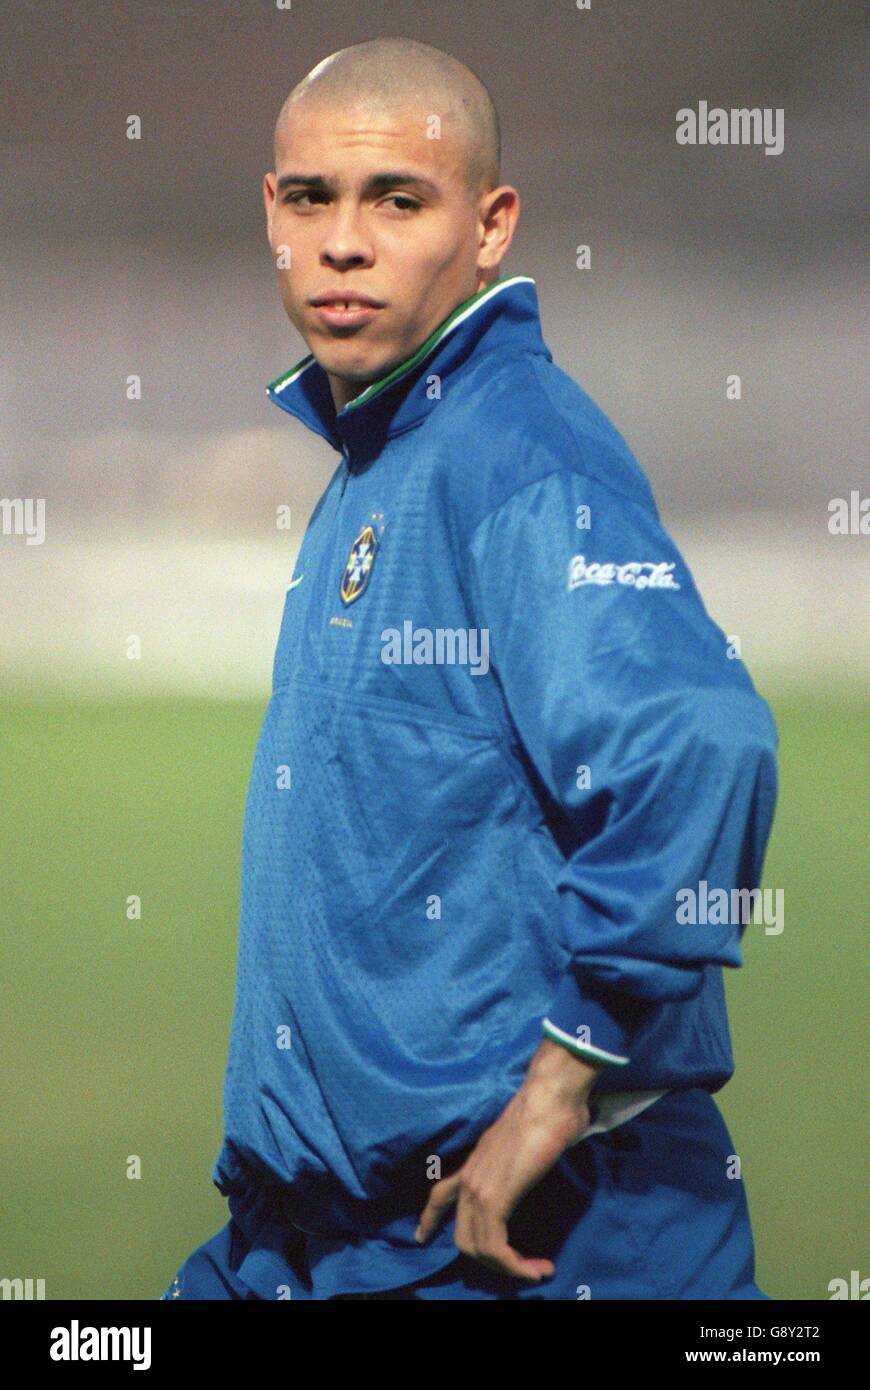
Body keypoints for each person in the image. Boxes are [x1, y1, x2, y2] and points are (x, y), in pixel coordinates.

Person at [161, 36, 778, 1301]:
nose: (344, 241)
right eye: (309, 198)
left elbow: (704, 742)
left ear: (491, 225)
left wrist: (566, 1072)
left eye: (398, 198)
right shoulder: (382, 457)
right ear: (270, 216)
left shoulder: (521, 452)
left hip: (546, 1237)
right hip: (326, 1237)